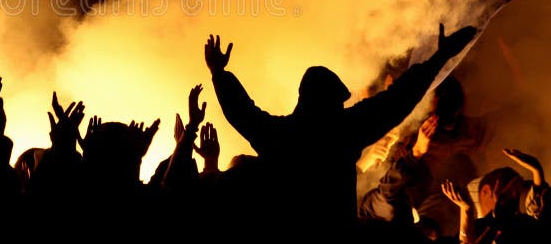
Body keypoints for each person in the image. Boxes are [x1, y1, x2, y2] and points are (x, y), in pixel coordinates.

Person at [204, 23, 477, 237]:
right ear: (335, 101)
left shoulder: (277, 134)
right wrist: (440, 56)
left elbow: (241, 111)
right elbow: (400, 98)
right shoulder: (346, 129)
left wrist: (219, 73)